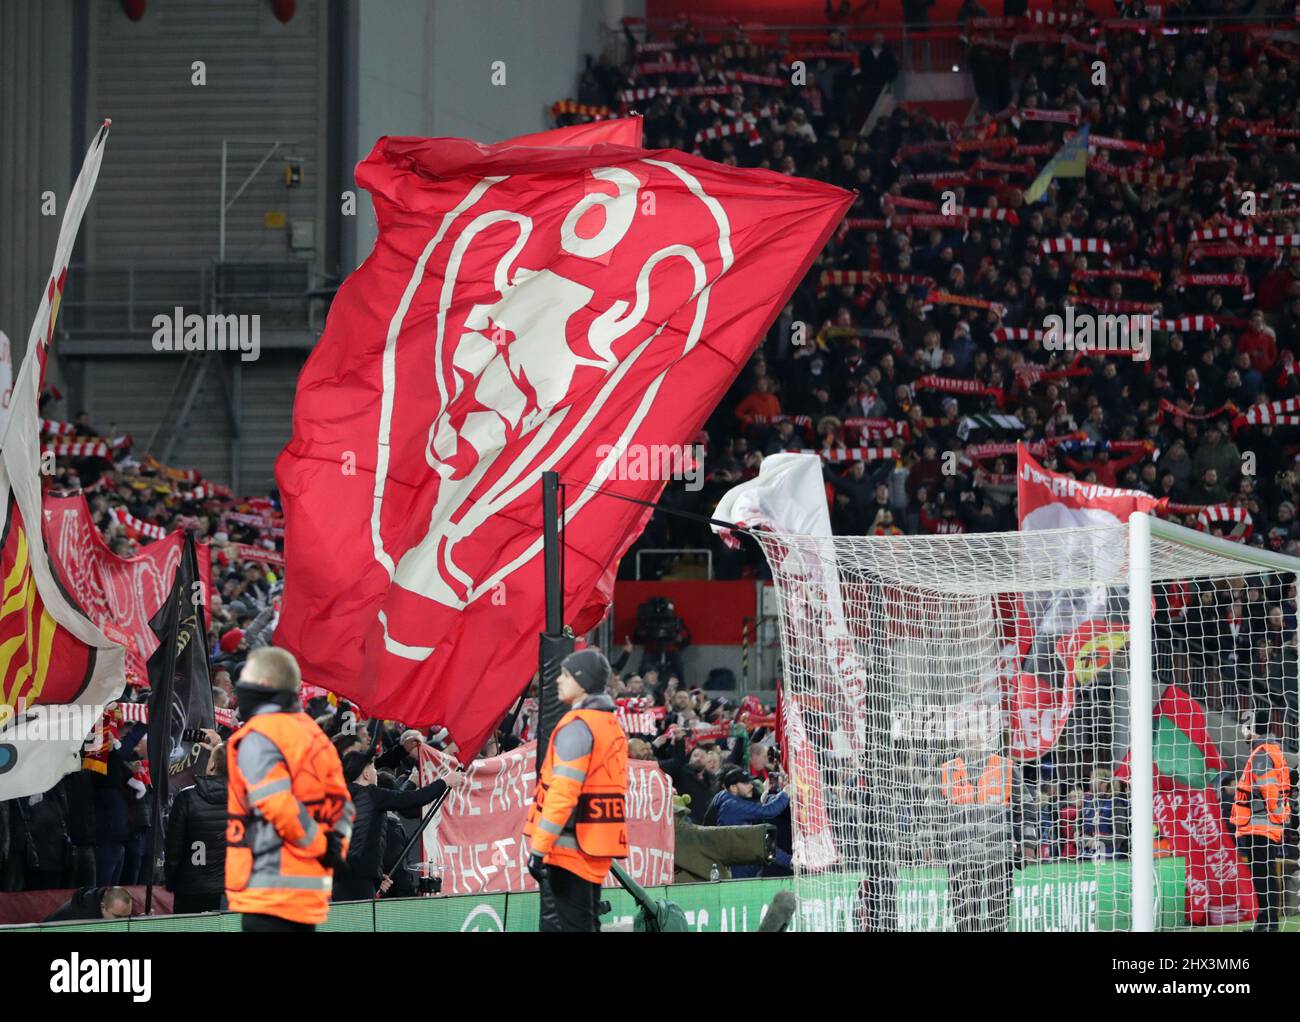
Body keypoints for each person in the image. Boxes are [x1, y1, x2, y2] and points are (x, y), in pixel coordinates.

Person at [225, 647, 355, 933]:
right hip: (307, 895)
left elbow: (277, 805)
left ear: (263, 685)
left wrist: (321, 846)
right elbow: (343, 805)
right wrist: (333, 850)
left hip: (270, 892)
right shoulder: (312, 733)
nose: (239, 688)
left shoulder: (259, 735)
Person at [523, 649, 628, 933]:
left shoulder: (577, 727)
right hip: (594, 843)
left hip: (567, 848)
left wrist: (539, 846)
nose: (559, 680)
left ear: (583, 682)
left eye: (566, 675)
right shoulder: (609, 725)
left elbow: (562, 794)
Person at [333, 750, 460, 902]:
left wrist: (377, 875)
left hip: (336, 878)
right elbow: (412, 799)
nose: (376, 772)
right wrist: (445, 781)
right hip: (360, 882)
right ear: (366, 774)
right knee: (362, 924)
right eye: (373, 768)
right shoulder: (371, 795)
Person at [938, 729, 1023, 932]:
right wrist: (937, 846)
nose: (971, 739)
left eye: (976, 734)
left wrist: (1025, 843)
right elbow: (934, 813)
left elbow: (1025, 808)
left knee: (998, 916)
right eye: (966, 735)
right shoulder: (946, 770)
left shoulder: (1006, 767)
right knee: (965, 919)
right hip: (960, 857)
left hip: (998, 855)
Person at [1229, 713, 1293, 932]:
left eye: (1248, 728)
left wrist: (1278, 814)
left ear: (1255, 730)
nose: (1244, 733)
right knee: (1263, 874)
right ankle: (1265, 923)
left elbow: (1269, 788)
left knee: (1262, 874)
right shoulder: (1270, 750)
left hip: (1260, 822)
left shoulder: (1261, 753)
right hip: (1263, 822)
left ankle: (1270, 925)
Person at [164, 734, 228, 914]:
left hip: (192, 889)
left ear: (212, 765)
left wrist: (172, 883)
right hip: (233, 890)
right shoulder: (247, 800)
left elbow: (173, 849)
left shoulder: (187, 797)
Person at [702, 766, 792, 878]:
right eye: (745, 783)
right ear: (733, 788)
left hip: (733, 852)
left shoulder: (723, 796)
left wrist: (766, 794)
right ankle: (793, 862)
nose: (751, 786)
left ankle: (791, 861)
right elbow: (769, 811)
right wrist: (785, 794)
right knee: (765, 837)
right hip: (738, 858)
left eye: (750, 782)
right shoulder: (731, 805)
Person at [43, 885, 133, 923]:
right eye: (118, 917)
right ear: (103, 906)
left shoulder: (102, 899)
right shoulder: (84, 916)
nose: (125, 921)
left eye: (128, 916)